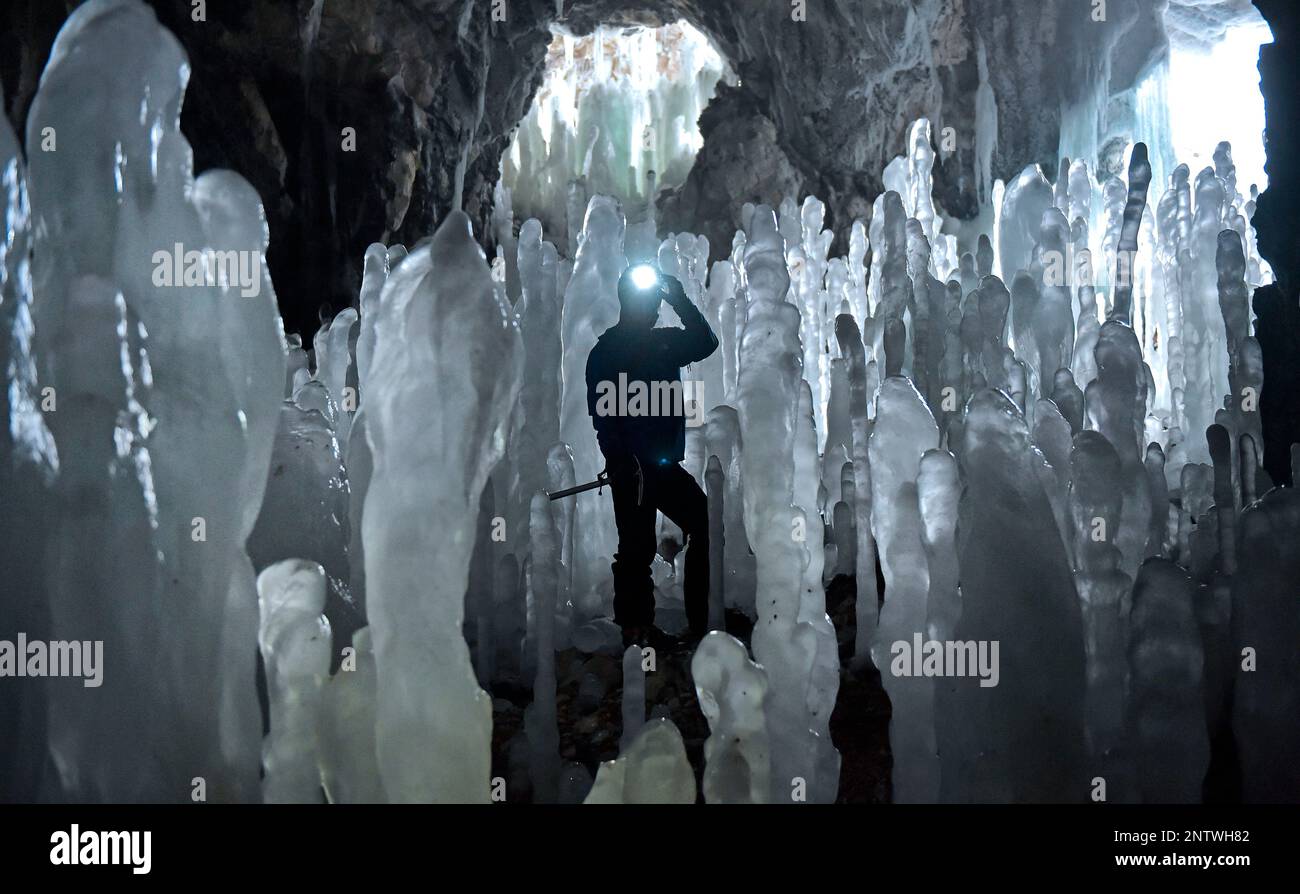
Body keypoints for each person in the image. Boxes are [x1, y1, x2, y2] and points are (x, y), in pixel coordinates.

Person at [585, 265, 719, 647]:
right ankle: (635, 629)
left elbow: (706, 342)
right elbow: (603, 415)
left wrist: (680, 299)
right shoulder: (607, 352)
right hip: (632, 467)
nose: (657, 308)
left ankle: (700, 619)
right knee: (636, 546)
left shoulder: (664, 343)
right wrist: (619, 461)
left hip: (661, 464)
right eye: (654, 301)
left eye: (658, 301)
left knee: (703, 521)